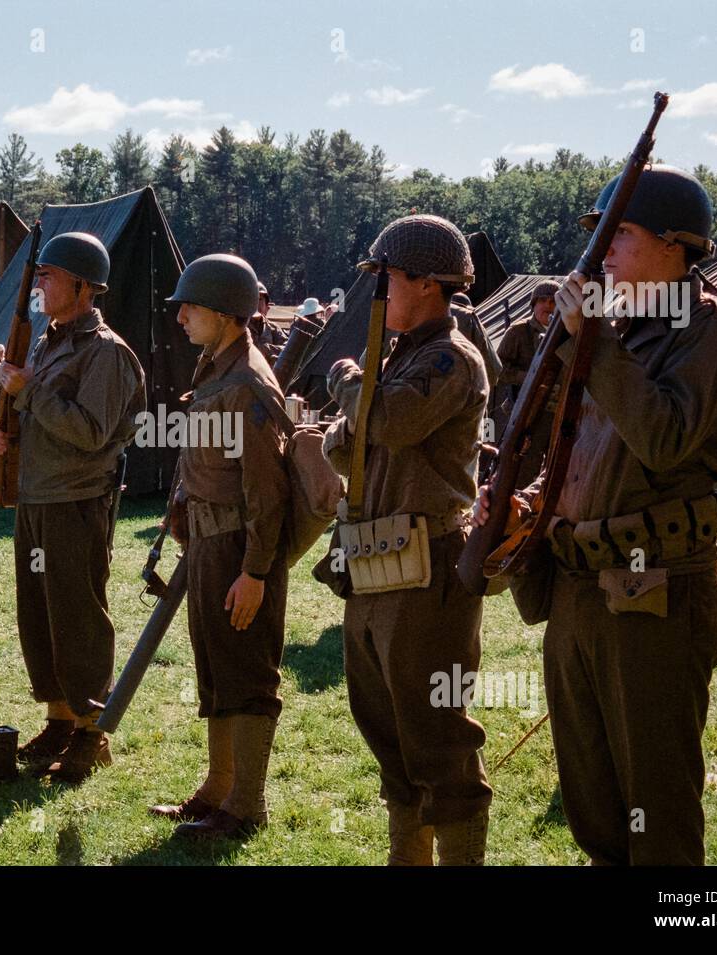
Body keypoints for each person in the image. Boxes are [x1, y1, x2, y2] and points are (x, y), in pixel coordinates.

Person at [479, 165, 717, 865]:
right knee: (595, 808)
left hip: (656, 594)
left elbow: (663, 438)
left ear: (675, 244)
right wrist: (529, 500)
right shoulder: (619, 329)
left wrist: (594, 343)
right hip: (578, 588)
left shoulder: (709, 332)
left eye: (620, 234)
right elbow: (576, 450)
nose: (603, 251)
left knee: (656, 813)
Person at [322, 214, 492, 865]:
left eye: (388, 278)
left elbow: (388, 422)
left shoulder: (451, 356)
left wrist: (346, 382)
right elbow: (344, 445)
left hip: (428, 568)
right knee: (388, 732)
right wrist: (357, 396)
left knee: (438, 739)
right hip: (373, 560)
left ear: (425, 283)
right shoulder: (395, 358)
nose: (380, 291)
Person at [0, 232, 146, 783]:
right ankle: (58, 719)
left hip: (77, 500)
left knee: (77, 614)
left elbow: (92, 432)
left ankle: (90, 732)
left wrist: (29, 393)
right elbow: (39, 417)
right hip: (37, 493)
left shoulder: (107, 353)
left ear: (81, 286)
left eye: (48, 276)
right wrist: (2, 433)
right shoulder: (46, 341)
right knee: (40, 612)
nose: (38, 285)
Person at [148, 254, 290, 840]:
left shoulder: (249, 384)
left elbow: (269, 494)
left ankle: (246, 806)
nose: (180, 316)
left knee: (246, 674)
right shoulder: (215, 371)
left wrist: (254, 572)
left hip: (239, 548)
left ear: (228, 314)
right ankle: (217, 789)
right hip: (208, 543)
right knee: (215, 670)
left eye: (192, 306)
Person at [496, 280, 560, 487]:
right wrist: (529, 377)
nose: (548, 306)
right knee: (522, 471)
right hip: (527, 412)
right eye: (542, 300)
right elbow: (498, 370)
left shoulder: (568, 333)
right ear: (533, 304)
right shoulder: (518, 332)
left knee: (556, 471)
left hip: (559, 412)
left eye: (553, 301)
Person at [248, 281, 289, 365]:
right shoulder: (238, 326)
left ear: (267, 307)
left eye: (260, 299)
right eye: (252, 299)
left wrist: (266, 349)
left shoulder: (273, 328)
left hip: (268, 374)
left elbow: (288, 348)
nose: (256, 304)